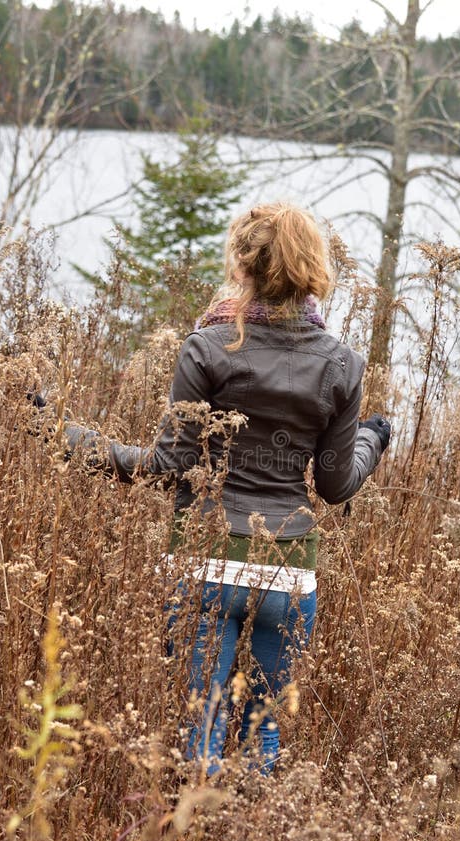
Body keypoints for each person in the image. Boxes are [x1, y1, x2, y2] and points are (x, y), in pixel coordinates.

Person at [48, 202, 390, 776]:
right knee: (265, 742)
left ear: (243, 264)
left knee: (199, 738)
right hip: (288, 572)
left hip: (204, 564)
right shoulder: (343, 365)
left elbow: (166, 464)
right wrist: (374, 441)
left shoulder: (206, 349)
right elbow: (335, 484)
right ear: (313, 269)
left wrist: (68, 437)